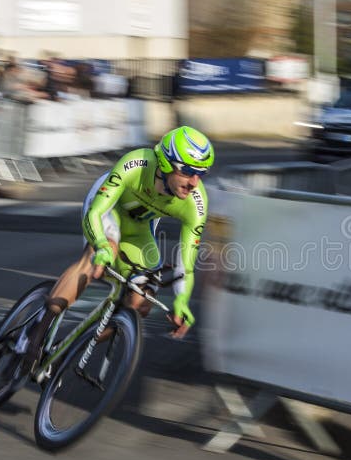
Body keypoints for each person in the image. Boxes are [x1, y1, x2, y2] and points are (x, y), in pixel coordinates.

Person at [19, 125, 215, 371]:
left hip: (139, 228)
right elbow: (96, 212)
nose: (194, 183)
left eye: (202, 173)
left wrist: (182, 301)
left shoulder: (196, 204)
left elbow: (186, 261)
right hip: (107, 210)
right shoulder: (136, 164)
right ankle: (37, 333)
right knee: (103, 252)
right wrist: (100, 245)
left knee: (142, 300)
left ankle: (70, 348)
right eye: (187, 172)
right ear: (166, 164)